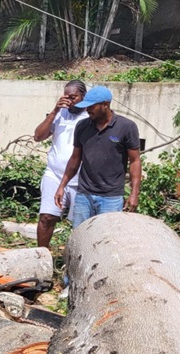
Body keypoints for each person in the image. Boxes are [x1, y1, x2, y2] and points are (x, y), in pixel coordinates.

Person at [54, 85, 142, 228]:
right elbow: (75, 158)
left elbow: (135, 161)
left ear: (105, 105)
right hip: (84, 195)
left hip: (111, 197)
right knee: (80, 235)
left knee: (108, 239)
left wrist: (134, 193)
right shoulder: (82, 126)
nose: (87, 110)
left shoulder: (126, 127)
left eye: (91, 106)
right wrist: (62, 186)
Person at [33, 80, 88, 248]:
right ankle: (42, 255)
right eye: (66, 97)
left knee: (80, 226)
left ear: (83, 97)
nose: (69, 101)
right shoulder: (59, 114)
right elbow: (38, 136)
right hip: (55, 174)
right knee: (47, 217)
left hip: (81, 178)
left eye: (73, 97)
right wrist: (55, 111)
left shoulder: (89, 116)